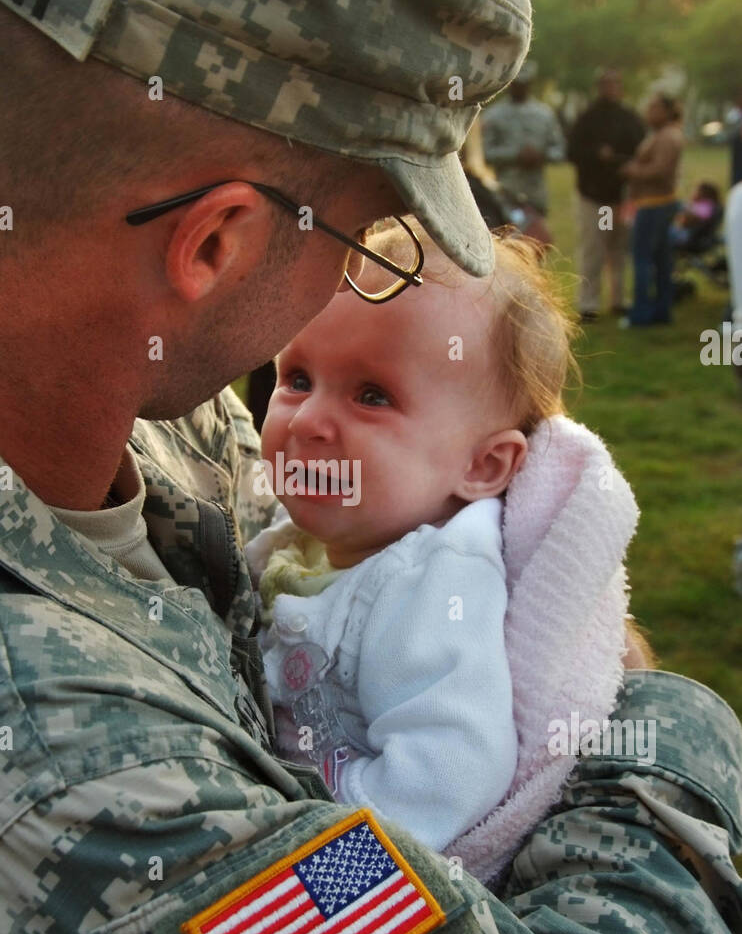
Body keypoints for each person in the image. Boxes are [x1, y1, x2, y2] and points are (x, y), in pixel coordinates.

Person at [0, 0, 739, 934]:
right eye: (356, 234)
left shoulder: (136, 423)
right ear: (214, 239)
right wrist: (662, 731)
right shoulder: (27, 760)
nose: (352, 289)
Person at [246, 226, 639, 885]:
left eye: (372, 395)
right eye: (297, 378)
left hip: (374, 891)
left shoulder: (430, 583)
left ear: (483, 466)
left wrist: (318, 873)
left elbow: (452, 771)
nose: (308, 419)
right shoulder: (321, 542)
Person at [566, 69, 645, 320]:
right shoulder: (588, 119)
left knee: (619, 249)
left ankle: (619, 298)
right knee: (594, 249)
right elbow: (572, 152)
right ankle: (588, 303)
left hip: (620, 196)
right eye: (607, 84)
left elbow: (641, 151)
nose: (612, 88)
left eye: (616, 84)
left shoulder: (630, 118)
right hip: (594, 197)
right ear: (599, 87)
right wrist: (596, 155)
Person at [620, 94, 685, 328]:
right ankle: (661, 310)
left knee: (643, 259)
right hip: (654, 204)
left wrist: (631, 171)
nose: (649, 112)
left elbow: (660, 170)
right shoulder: (662, 134)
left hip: (655, 205)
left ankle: (641, 313)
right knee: (661, 260)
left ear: (668, 111)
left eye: (655, 108)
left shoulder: (668, 136)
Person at [480, 62, 566, 218]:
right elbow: (483, 153)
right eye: (516, 83)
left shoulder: (545, 114)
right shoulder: (493, 116)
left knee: (536, 239)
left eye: (524, 84)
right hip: (506, 191)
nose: (520, 88)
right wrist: (515, 156)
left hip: (536, 193)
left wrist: (541, 155)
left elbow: (559, 150)